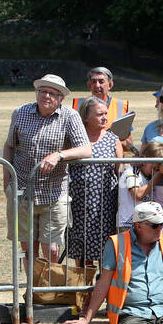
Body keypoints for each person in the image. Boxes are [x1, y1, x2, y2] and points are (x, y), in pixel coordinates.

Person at [3, 74, 92, 269]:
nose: (47, 96)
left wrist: (59, 155)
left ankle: (49, 291)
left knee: (51, 249)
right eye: (43, 91)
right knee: (27, 247)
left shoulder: (70, 116)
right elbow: (9, 146)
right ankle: (31, 293)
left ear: (61, 98)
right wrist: (7, 182)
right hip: (22, 191)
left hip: (54, 193)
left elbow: (86, 149)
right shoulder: (20, 112)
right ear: (37, 93)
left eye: (52, 93)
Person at [68, 97, 121, 271]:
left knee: (106, 249)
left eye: (106, 113)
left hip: (105, 206)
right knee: (81, 250)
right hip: (79, 204)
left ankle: (103, 287)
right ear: (86, 117)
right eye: (100, 114)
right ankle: (84, 290)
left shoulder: (113, 140)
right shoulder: (74, 139)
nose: (105, 118)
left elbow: (118, 171)